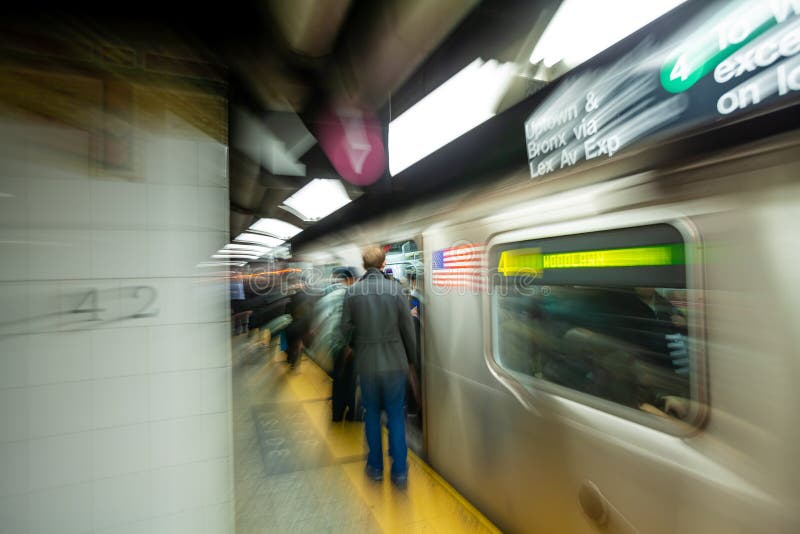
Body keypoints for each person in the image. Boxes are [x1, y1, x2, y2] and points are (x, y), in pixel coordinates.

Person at [341, 246, 417, 488]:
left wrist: (357, 342)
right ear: (383, 264)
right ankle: (400, 471)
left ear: (364, 266)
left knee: (371, 415)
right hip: (395, 364)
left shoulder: (352, 293)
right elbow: (408, 331)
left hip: (367, 365)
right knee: (396, 415)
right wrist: (412, 360)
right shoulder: (396, 291)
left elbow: (344, 332)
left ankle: (375, 468)